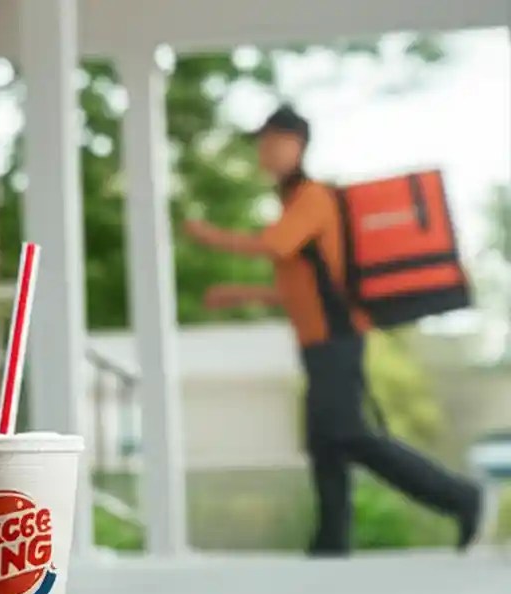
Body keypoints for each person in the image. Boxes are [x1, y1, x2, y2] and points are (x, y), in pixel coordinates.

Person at [183, 105, 489, 556]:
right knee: (325, 442)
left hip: (337, 339)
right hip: (320, 341)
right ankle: (331, 542)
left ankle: (460, 497)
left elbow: (275, 245)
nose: (263, 152)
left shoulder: (312, 198)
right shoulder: (292, 202)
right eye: (261, 143)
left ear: (297, 145)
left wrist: (209, 235)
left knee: (350, 435)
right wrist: (243, 294)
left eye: (272, 142)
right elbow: (302, 289)